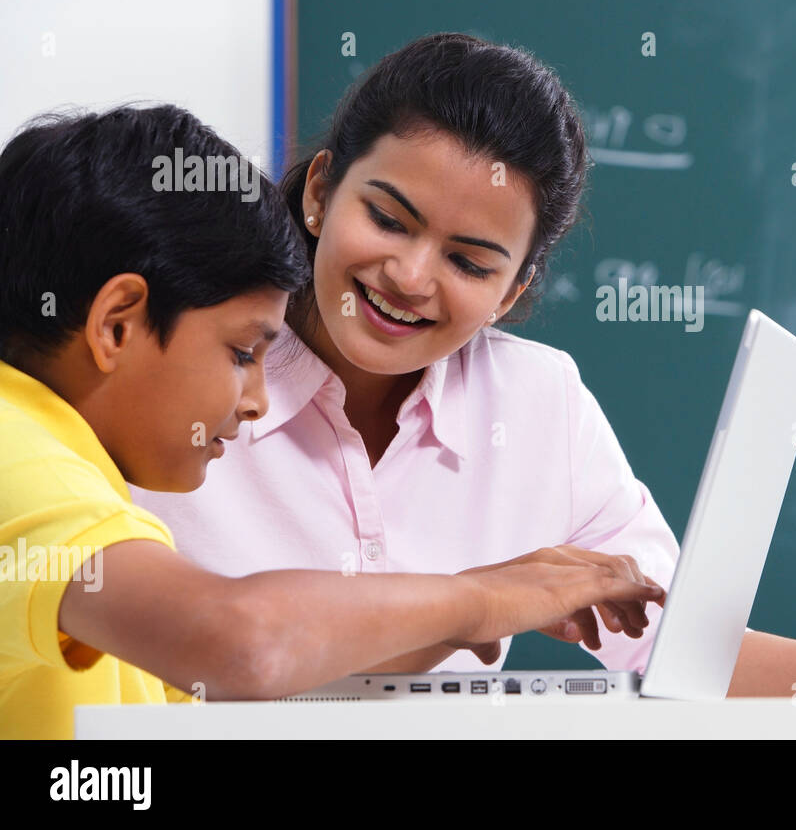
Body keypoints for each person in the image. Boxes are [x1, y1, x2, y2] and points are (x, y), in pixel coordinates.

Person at [131, 34, 796, 698]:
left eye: (471, 262)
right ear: (322, 190)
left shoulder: (537, 399)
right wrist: (479, 599)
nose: (409, 277)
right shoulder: (182, 368)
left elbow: (672, 638)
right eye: (391, 218)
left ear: (515, 289)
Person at [0, 104, 664, 739]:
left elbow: (247, 697)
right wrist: (478, 600)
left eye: (468, 260)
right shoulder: (17, 455)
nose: (257, 399)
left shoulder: (73, 472)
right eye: (241, 352)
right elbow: (241, 644)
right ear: (117, 324)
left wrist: (450, 625)